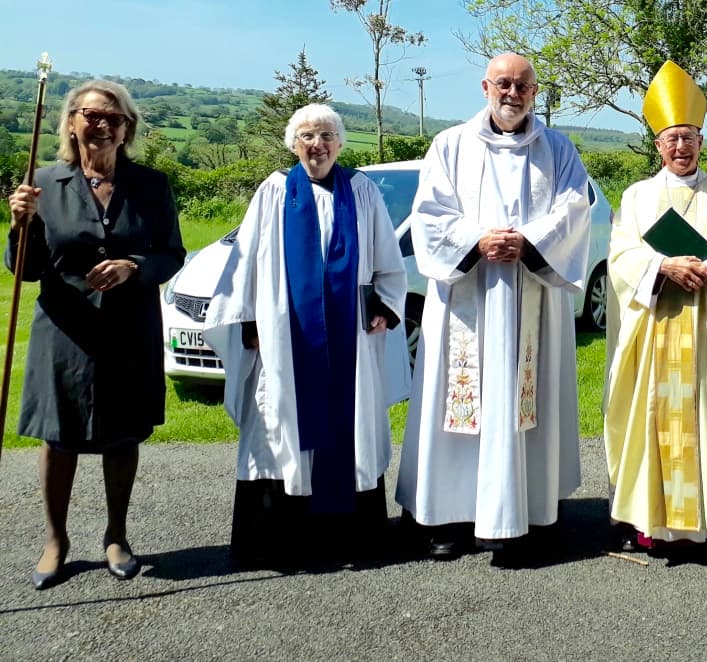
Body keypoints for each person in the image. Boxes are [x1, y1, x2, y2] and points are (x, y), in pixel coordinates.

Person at [395, 53, 591, 563]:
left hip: (532, 292)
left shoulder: (558, 149)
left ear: (535, 92)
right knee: (460, 403)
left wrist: (527, 241)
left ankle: (531, 511)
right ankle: (448, 516)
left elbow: (574, 209)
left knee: (529, 400)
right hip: (468, 295)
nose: (512, 93)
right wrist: (477, 241)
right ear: (485, 87)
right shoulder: (450, 144)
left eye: (523, 86)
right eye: (503, 83)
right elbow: (430, 215)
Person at [203, 104, 409, 567]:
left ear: (340, 142)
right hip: (284, 337)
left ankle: (350, 540)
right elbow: (247, 260)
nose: (318, 145)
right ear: (293, 144)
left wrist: (384, 305)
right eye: (308, 136)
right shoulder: (275, 190)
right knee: (279, 422)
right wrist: (249, 321)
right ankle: (282, 543)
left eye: (327, 136)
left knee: (349, 422)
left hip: (348, 338)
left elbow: (386, 257)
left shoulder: (361, 190)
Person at [5, 80, 185, 589]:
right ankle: (55, 541)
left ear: (127, 129)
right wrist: (19, 226)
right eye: (91, 115)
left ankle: (116, 536)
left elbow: (172, 253)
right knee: (59, 437)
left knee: (122, 434)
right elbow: (26, 270)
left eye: (114, 118)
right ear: (71, 123)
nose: (102, 124)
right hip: (65, 332)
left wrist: (134, 266)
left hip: (129, 330)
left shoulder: (151, 185)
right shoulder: (43, 184)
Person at [603, 61, 707, 553]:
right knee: (652, 417)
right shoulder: (637, 196)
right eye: (671, 138)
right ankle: (655, 523)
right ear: (658, 144)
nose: (681, 147)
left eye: (689, 137)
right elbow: (621, 253)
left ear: (701, 140)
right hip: (655, 327)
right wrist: (663, 266)